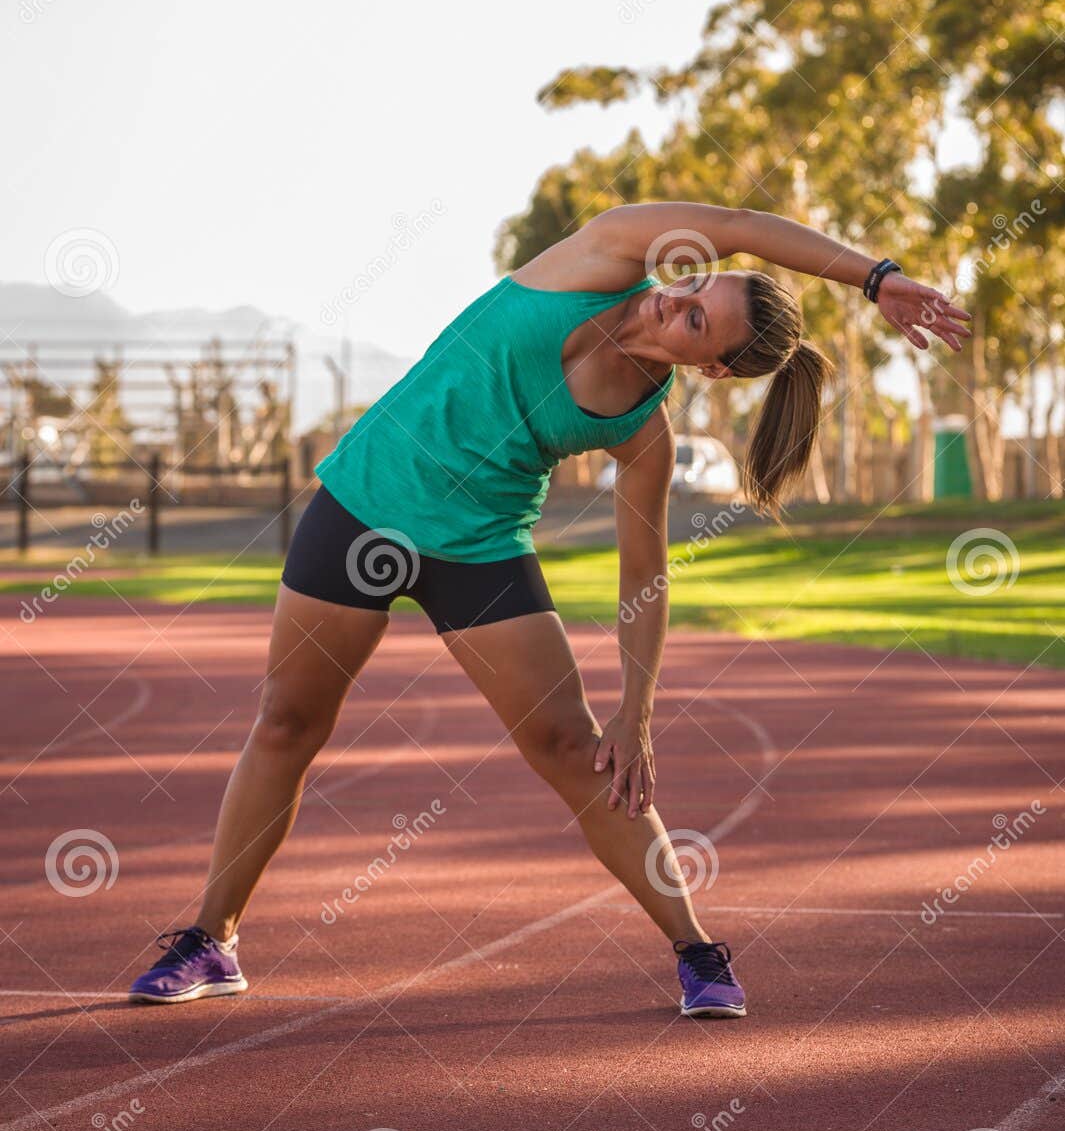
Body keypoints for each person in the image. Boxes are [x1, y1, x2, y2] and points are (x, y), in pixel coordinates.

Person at [128, 203, 969, 1016]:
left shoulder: (643, 431)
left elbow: (644, 578)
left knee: (576, 749)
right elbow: (746, 225)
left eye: (694, 323)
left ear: (707, 367)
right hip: (362, 504)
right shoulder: (603, 255)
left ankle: (695, 950)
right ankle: (211, 939)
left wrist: (635, 715)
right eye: (695, 286)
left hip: (480, 548)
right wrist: (875, 278)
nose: (676, 299)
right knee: (286, 723)